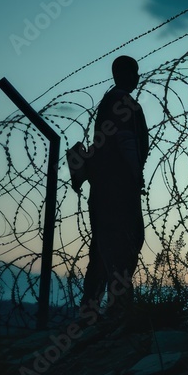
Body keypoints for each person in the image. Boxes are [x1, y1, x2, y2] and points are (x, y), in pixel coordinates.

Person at [80, 55, 150, 315]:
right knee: (125, 243)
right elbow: (126, 142)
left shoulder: (107, 102)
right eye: (136, 72)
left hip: (102, 187)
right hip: (119, 188)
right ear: (128, 74)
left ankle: (90, 309)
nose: (138, 77)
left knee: (102, 248)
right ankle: (119, 308)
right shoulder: (124, 102)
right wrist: (135, 175)